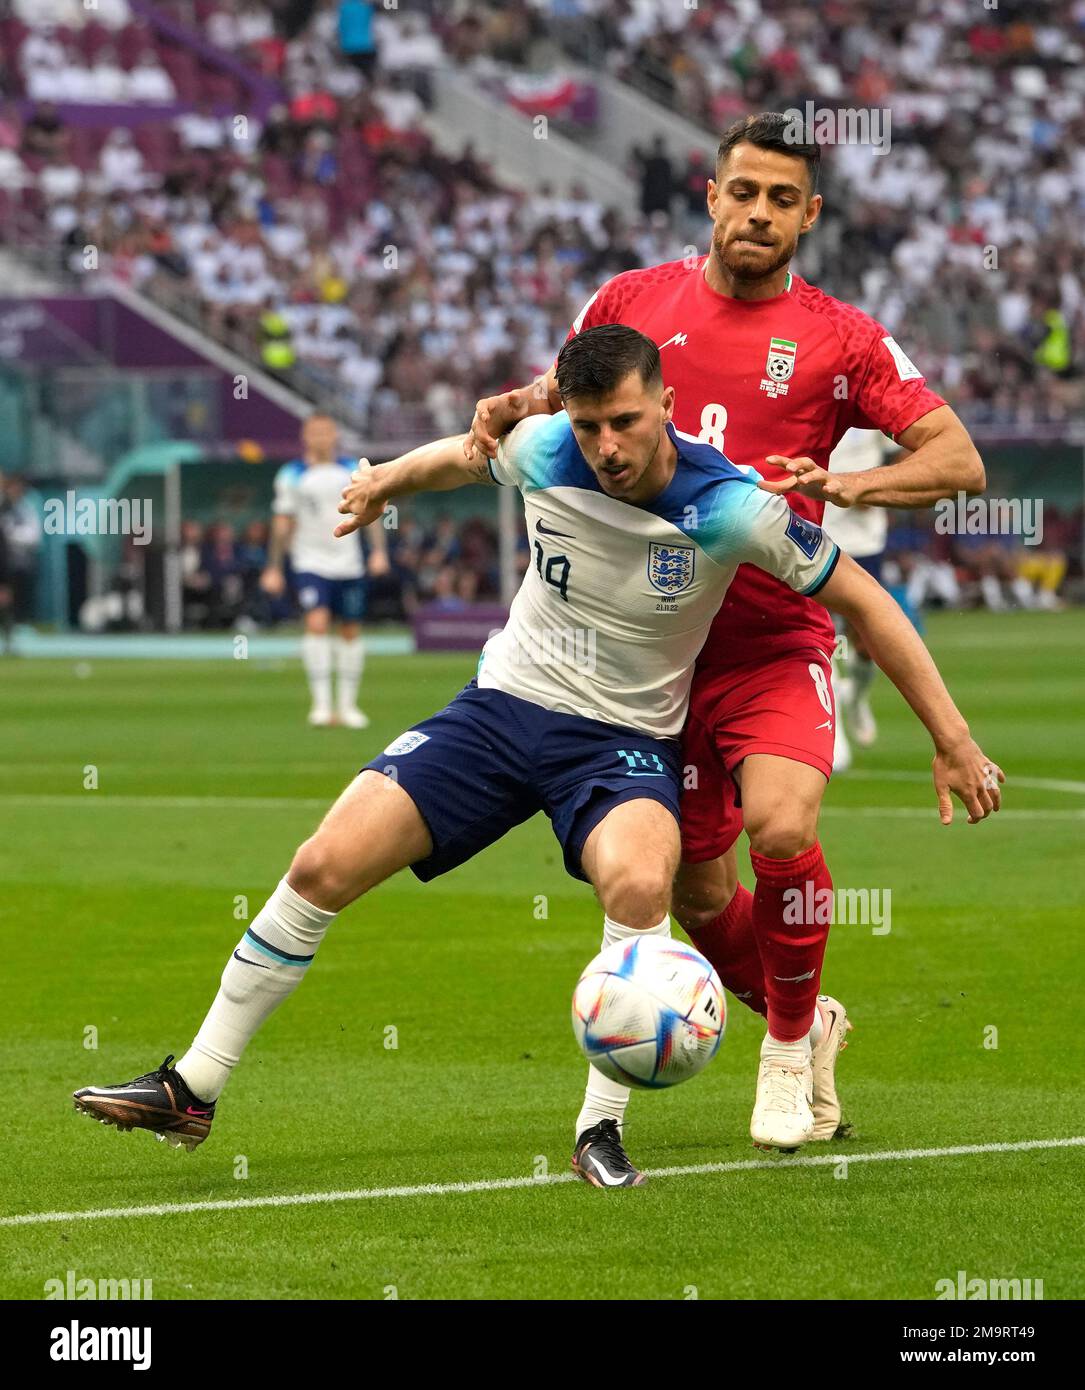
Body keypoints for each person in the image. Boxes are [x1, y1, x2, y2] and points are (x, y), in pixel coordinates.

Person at [73, 327, 1001, 1180]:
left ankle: (600, 1131)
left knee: (641, 887)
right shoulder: (545, 445)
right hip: (499, 712)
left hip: (621, 743)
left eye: (625, 422)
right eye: (591, 423)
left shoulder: (731, 508)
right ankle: (191, 1088)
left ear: (665, 406)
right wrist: (386, 479)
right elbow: (467, 455)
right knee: (321, 865)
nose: (606, 445)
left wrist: (952, 738)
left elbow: (868, 602)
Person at [466, 112, 990, 1169]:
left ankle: (787, 1055)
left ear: (809, 214)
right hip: (648, 656)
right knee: (698, 890)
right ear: (709, 197)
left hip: (766, 639)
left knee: (782, 829)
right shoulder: (628, 302)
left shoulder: (839, 337)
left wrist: (855, 482)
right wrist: (512, 404)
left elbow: (958, 459)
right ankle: (809, 1013)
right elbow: (562, 400)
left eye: (778, 198)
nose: (756, 212)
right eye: (739, 191)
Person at [260, 414, 389, 728]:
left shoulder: (352, 471)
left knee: (350, 630)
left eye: (326, 432)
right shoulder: (292, 475)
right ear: (305, 436)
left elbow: (370, 511)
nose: (321, 438)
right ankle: (321, 705)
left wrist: (379, 553)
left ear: (335, 435)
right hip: (310, 561)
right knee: (316, 623)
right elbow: (281, 522)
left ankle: (347, 707)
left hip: (348, 562)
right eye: (314, 432)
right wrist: (274, 567)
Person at [821, 428, 901, 766]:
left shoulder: (870, 406)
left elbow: (910, 451)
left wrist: (878, 486)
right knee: (818, 635)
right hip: (814, 531)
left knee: (866, 644)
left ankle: (858, 698)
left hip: (865, 540)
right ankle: (832, 729)